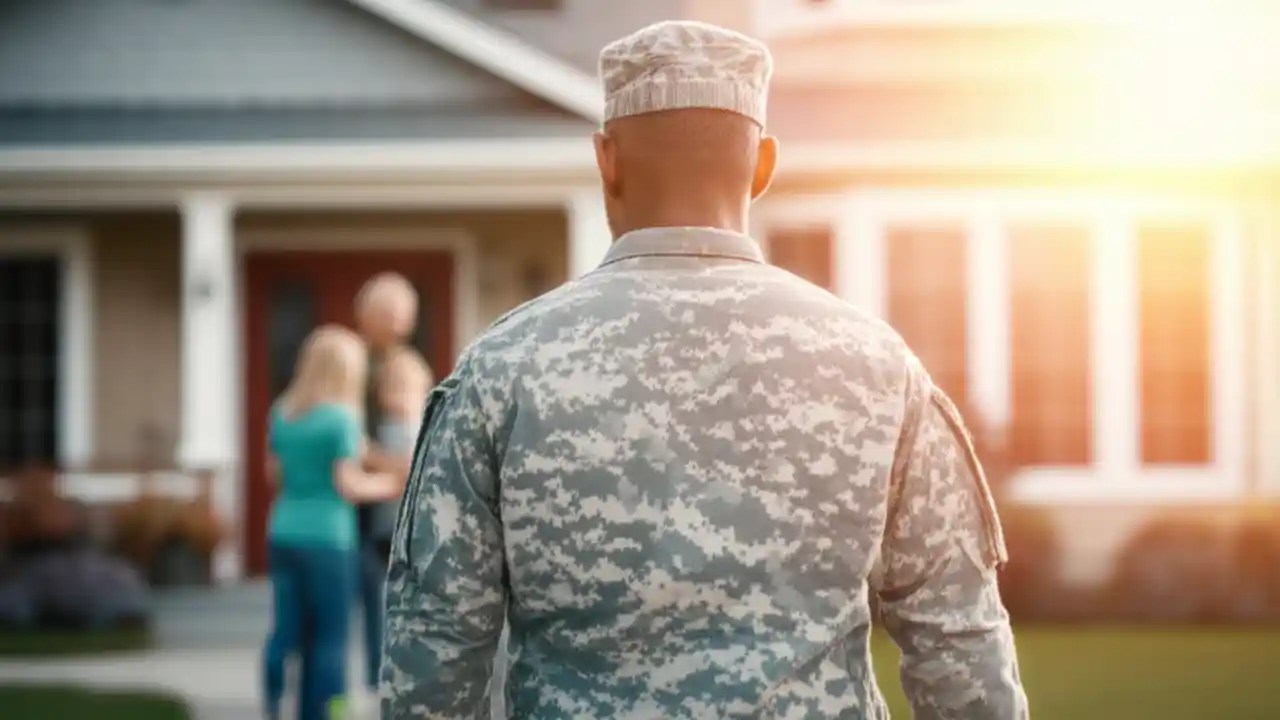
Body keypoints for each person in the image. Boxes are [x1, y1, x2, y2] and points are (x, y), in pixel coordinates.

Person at [383, 20, 1028, 720]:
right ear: (762, 166)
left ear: (606, 160)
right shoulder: (878, 368)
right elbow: (961, 649)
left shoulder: (499, 372)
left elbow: (432, 662)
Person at [262, 325, 404, 720]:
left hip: (283, 532)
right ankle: (329, 715)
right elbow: (349, 485)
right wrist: (391, 484)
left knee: (288, 631)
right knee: (331, 639)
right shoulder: (340, 418)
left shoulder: (282, 412)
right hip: (328, 538)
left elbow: (273, 473)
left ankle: (273, 702)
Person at [352, 273, 422, 696]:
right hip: (358, 505)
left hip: (389, 512)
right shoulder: (354, 364)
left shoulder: (406, 367)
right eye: (387, 311)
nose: (396, 320)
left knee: (389, 603)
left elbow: (406, 457)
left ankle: (384, 688)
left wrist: (371, 456)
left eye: (402, 312)